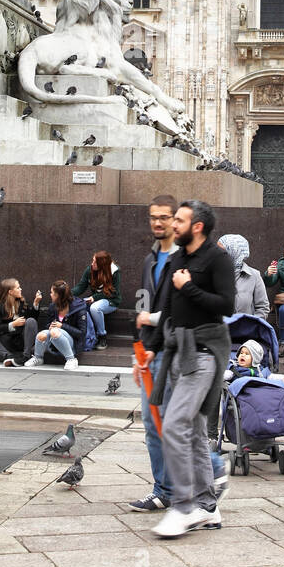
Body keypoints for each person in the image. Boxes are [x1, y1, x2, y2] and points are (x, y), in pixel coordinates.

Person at [144, 200, 235, 539]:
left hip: (204, 353)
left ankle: (183, 506)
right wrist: (152, 348)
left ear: (197, 226)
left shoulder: (217, 259)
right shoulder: (178, 258)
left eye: (179, 220)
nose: (173, 225)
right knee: (194, 430)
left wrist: (190, 287)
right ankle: (208, 506)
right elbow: (166, 307)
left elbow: (225, 305)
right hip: (178, 353)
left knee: (174, 425)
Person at [129, 195, 180, 514]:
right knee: (152, 422)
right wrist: (140, 350)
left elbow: (186, 309)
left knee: (176, 424)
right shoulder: (150, 259)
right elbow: (141, 306)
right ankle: (163, 489)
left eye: (164, 217)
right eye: (153, 217)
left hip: (176, 352)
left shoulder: (185, 259)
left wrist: (153, 319)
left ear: (176, 220)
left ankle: (205, 480)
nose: (158, 223)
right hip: (151, 352)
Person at [24, 281, 87, 368]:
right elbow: (48, 324)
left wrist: (62, 326)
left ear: (58, 296)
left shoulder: (78, 308)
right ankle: (38, 358)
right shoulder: (53, 306)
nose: (50, 294)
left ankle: (71, 359)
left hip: (73, 341)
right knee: (41, 335)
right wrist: (50, 326)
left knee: (54, 332)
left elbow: (82, 333)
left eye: (52, 293)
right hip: (55, 337)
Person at [72, 251, 122, 352]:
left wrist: (94, 297)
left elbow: (113, 292)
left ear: (102, 265)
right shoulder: (90, 270)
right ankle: (85, 337)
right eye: (93, 261)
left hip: (111, 301)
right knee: (80, 304)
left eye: (95, 262)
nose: (92, 264)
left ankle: (102, 336)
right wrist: (67, 294)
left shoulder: (114, 271)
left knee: (95, 308)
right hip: (95, 299)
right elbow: (81, 287)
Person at [0, 278, 42, 366]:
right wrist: (12, 324)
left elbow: (32, 322)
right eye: (18, 288)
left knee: (31, 321)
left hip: (22, 341)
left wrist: (36, 303)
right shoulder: (0, 306)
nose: (21, 289)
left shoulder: (22, 302)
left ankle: (26, 356)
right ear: (10, 292)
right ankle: (7, 356)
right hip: (7, 341)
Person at [217, 234, 270, 321]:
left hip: (246, 332)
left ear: (234, 251)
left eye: (221, 250)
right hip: (220, 332)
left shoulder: (254, 275)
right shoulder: (213, 273)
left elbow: (263, 308)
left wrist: (249, 325)